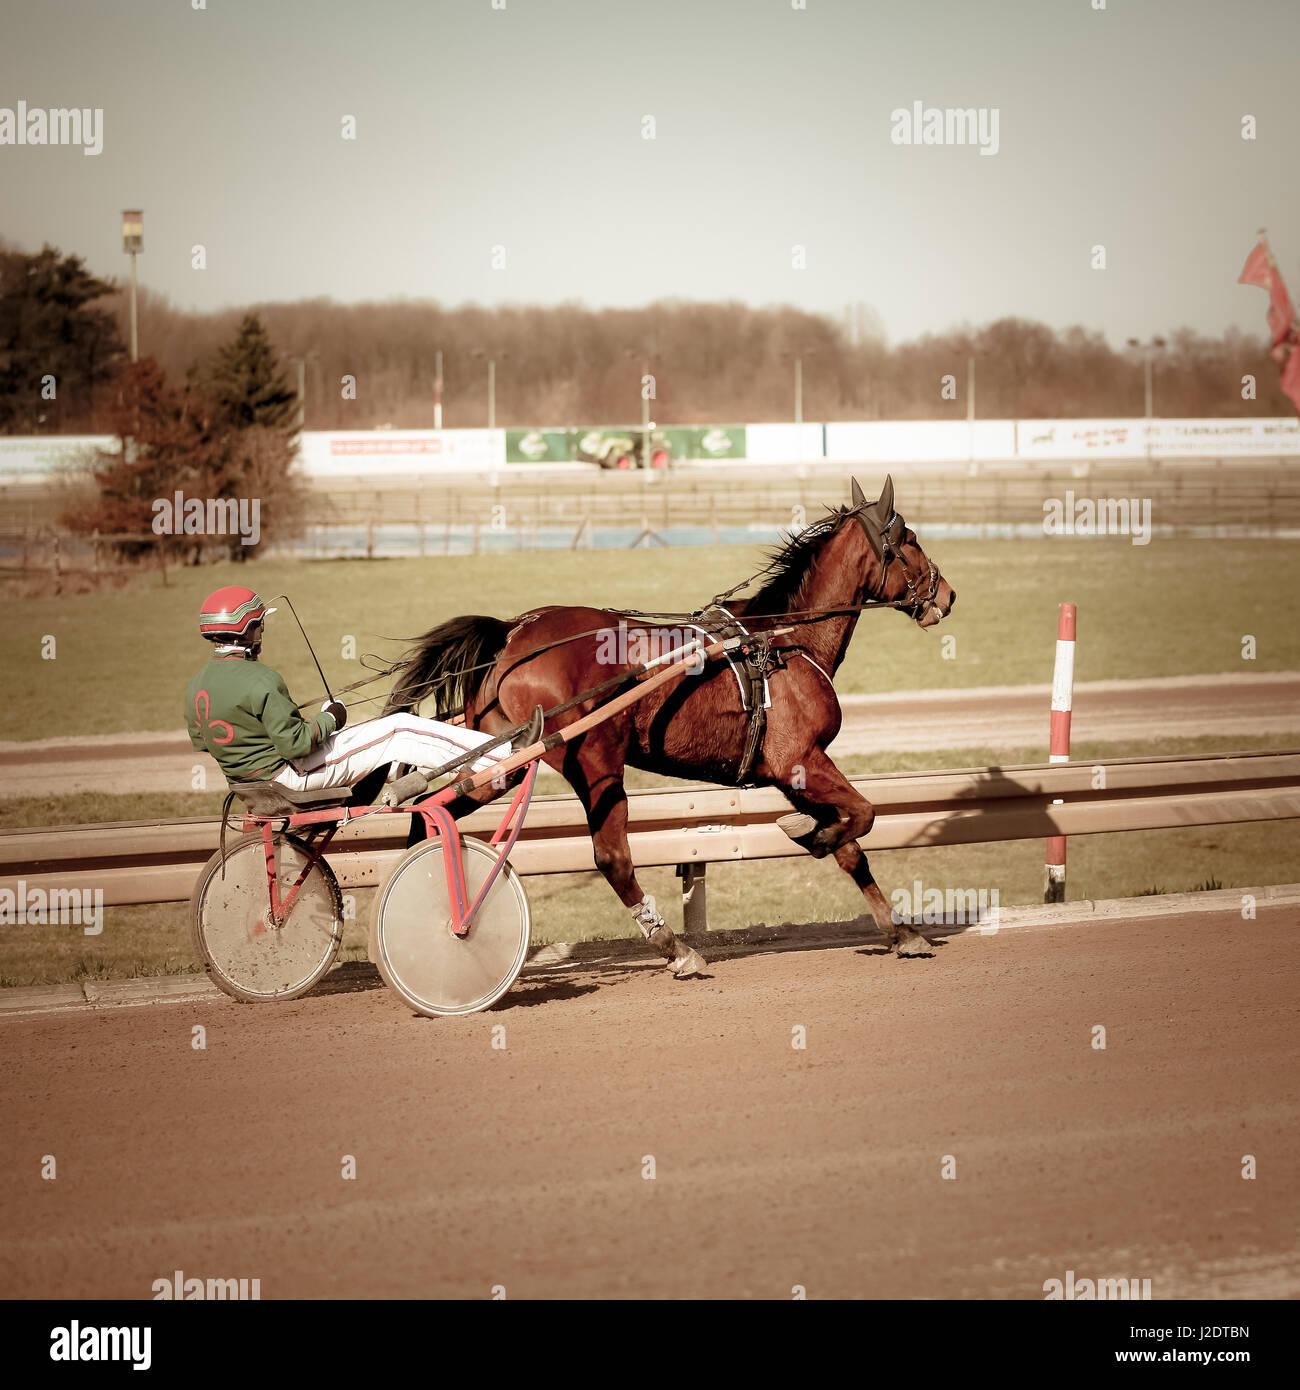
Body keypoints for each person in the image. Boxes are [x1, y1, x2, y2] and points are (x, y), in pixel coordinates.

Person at [184, 585, 539, 801]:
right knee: (399, 728)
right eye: (259, 625)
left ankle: (468, 758)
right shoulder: (260, 678)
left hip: (255, 787)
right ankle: (503, 755)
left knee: (388, 730)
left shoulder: (196, 684)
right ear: (246, 629)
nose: (261, 632)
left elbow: (206, 741)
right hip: (293, 778)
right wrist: (330, 718)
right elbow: (296, 744)